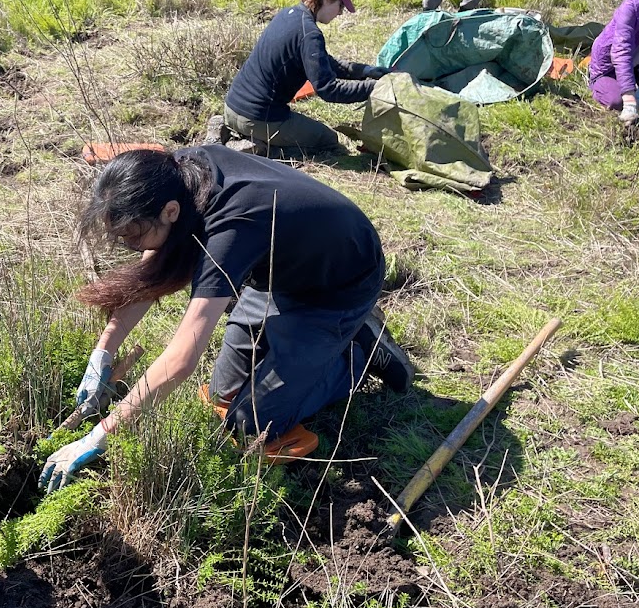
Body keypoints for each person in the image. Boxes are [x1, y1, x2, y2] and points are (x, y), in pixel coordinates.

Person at [39, 146, 414, 492]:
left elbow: (181, 359)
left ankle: (360, 351)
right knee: (221, 395)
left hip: (338, 283)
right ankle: (310, 346)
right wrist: (103, 353)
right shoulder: (175, 175)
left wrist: (100, 436)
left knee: (251, 425)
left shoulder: (229, 229)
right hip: (275, 274)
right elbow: (150, 275)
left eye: (134, 236)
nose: (131, 247)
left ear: (170, 212)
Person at [224, 0, 389, 157]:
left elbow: (326, 63)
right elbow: (328, 89)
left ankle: (242, 136)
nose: (341, 13)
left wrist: (366, 71)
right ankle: (261, 150)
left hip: (232, 108)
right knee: (328, 141)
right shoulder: (310, 34)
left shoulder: (289, 14)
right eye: (341, 6)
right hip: (258, 118)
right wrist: (376, 89)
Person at [588, 0, 639, 125]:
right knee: (616, 100)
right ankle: (596, 84)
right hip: (609, 68)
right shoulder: (632, 7)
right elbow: (621, 52)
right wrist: (629, 99)